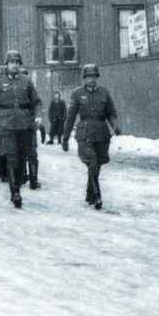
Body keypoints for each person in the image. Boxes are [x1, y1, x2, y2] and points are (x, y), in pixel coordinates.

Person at [0, 50, 42, 208]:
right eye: (12, 62)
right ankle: (15, 191)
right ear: (6, 64)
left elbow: (36, 101)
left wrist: (38, 116)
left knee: (21, 157)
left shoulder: (27, 81)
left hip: (24, 124)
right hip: (5, 125)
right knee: (11, 157)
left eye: (17, 62)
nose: (15, 65)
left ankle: (16, 188)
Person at [62, 63, 121, 210]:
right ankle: (97, 196)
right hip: (85, 135)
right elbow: (70, 117)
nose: (92, 79)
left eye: (94, 76)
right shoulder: (77, 94)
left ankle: (89, 194)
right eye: (88, 76)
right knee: (93, 163)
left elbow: (111, 113)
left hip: (102, 135)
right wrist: (65, 137)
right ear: (84, 78)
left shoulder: (104, 93)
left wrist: (115, 126)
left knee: (97, 164)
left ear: (97, 77)